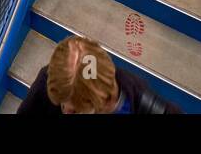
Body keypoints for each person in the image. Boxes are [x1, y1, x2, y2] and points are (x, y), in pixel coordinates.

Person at [17, 35, 179, 114]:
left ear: (100, 100)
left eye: (74, 112)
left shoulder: (144, 104)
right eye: (62, 105)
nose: (64, 111)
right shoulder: (50, 83)